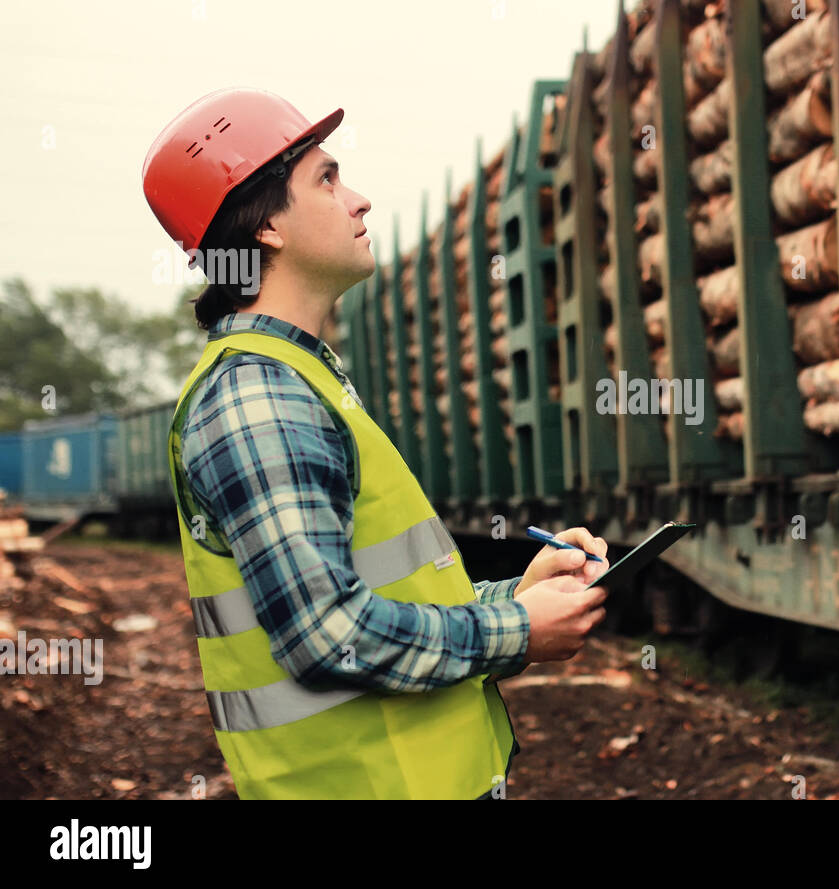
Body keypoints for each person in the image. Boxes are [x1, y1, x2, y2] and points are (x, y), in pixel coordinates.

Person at [142, 87, 608, 799]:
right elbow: (329, 635)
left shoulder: (299, 378)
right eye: (326, 179)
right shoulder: (258, 397)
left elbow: (381, 595)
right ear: (265, 226)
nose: (359, 200)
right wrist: (516, 631)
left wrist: (519, 592)